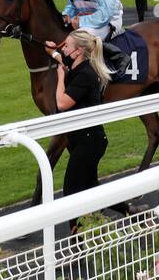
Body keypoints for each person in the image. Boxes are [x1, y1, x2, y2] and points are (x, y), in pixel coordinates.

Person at [47, 29, 113, 236]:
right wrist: (53, 53)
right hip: (84, 140)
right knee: (92, 186)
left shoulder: (86, 73)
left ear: (79, 52)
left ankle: (77, 245)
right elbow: (62, 59)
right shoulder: (76, 67)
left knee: (71, 192)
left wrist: (59, 78)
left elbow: (62, 103)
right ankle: (129, 210)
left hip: (89, 141)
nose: (63, 48)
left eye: (66, 46)